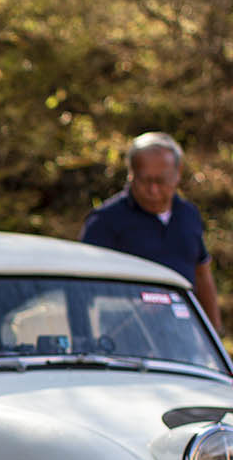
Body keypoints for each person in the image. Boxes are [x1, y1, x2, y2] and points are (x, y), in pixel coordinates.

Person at [81, 132, 222, 332]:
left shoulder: (188, 214)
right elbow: (83, 290)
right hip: (125, 338)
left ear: (178, 173)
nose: (153, 190)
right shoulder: (105, 221)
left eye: (161, 181)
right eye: (145, 181)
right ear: (131, 175)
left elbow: (202, 274)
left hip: (183, 335)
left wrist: (214, 331)